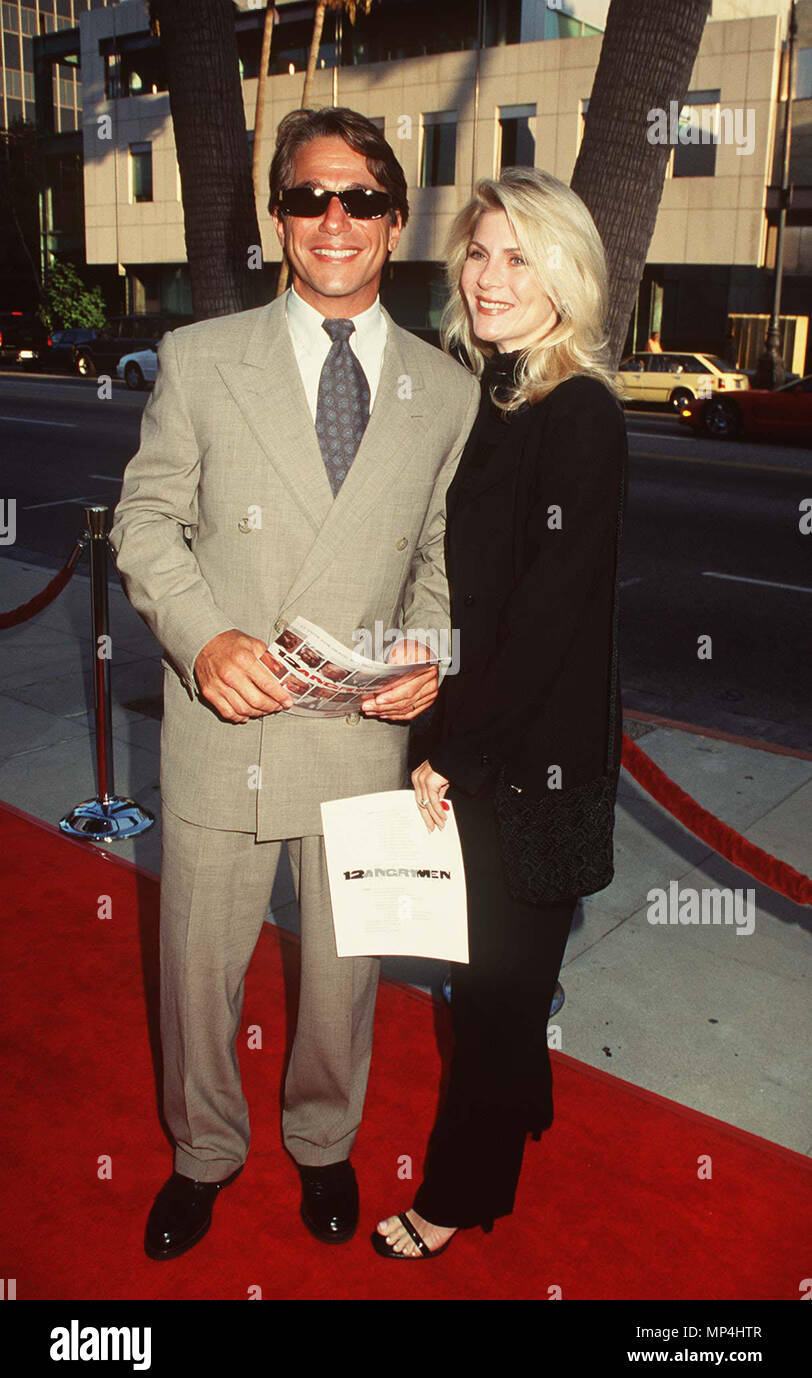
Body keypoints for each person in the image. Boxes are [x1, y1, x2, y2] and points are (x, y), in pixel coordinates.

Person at [109, 106, 479, 1260]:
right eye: (310, 197)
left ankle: (323, 1142)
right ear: (277, 217)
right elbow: (146, 519)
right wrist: (204, 637)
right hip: (226, 720)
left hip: (357, 733)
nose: (335, 220)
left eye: (361, 199)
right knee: (195, 970)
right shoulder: (200, 358)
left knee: (342, 975)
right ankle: (202, 1151)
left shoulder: (444, 390)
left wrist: (428, 652)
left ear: (393, 220)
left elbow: (435, 560)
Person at [373, 167, 628, 1259]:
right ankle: (520, 1100)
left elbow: (545, 616)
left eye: (518, 256)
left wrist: (452, 754)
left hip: (532, 765)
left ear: (566, 275)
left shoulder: (576, 412)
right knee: (488, 977)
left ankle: (454, 1195)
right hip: (473, 738)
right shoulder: (477, 394)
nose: (488, 275)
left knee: (489, 992)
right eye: (477, 251)